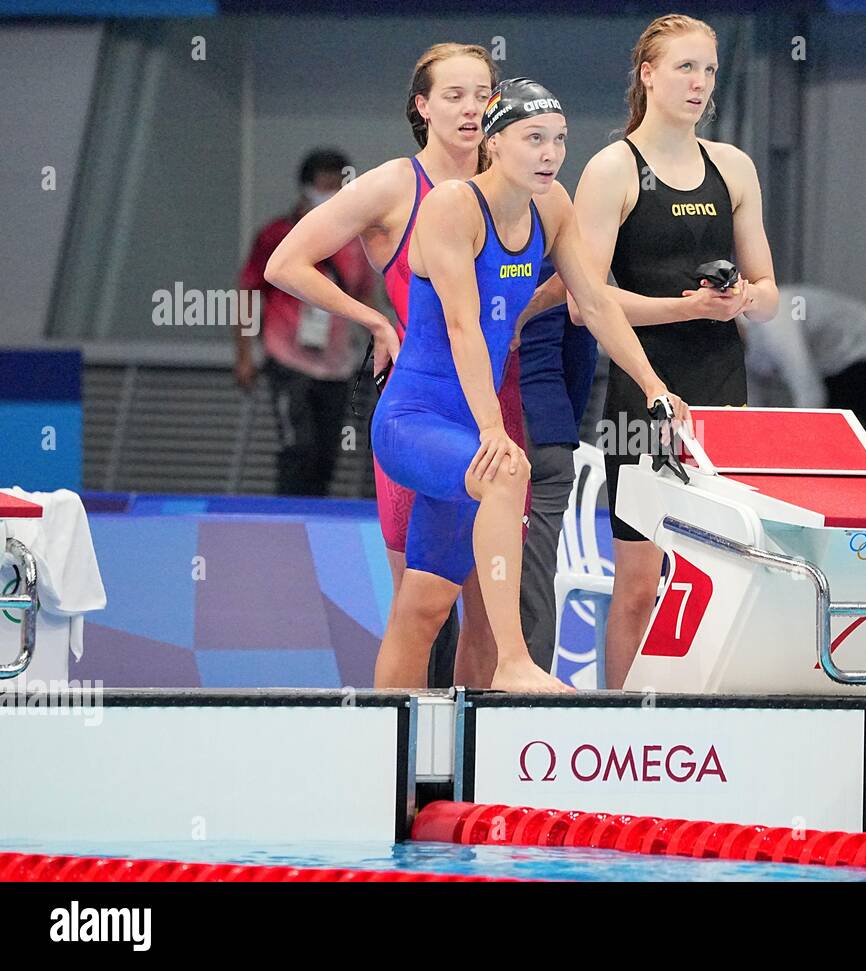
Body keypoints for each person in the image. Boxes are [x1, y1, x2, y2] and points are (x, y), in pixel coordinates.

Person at [370, 78, 690, 693]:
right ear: (493, 143)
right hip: (412, 420)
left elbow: (592, 302)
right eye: (533, 138)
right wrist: (493, 430)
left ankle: (398, 777)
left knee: (423, 609)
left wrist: (652, 384)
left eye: (560, 140)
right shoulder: (452, 207)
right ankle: (517, 663)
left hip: (464, 430)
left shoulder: (552, 207)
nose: (550, 153)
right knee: (505, 472)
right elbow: (463, 325)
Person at [265, 44, 533, 689]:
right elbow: (285, 264)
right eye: (454, 96)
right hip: (425, 408)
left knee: (490, 618)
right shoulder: (393, 184)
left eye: (484, 95)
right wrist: (375, 320)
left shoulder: (517, 183)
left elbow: (566, 278)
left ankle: (467, 778)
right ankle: (398, 774)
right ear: (422, 106)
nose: (472, 109)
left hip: (499, 407)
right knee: (420, 609)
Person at [571, 14, 779, 689]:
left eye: (709, 70)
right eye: (686, 67)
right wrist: (683, 308)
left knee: (722, 578)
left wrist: (738, 299)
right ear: (648, 74)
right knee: (637, 584)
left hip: (723, 393)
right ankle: (624, 726)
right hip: (642, 395)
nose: (700, 83)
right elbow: (585, 300)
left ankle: (706, 719)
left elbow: (772, 293)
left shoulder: (733, 166)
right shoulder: (611, 169)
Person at [237, 148, 371, 497]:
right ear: (305, 186)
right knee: (298, 447)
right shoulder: (276, 235)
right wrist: (244, 354)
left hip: (337, 364)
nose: (330, 191)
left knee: (327, 456)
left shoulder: (355, 242)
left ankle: (315, 524)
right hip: (288, 359)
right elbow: (249, 294)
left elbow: (366, 300)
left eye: (337, 183)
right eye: (323, 183)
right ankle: (288, 523)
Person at [515, 257, 599, 671]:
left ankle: (436, 700)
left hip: (469, 427)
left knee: (442, 580)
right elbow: (582, 355)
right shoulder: (556, 253)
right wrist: (559, 420)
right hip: (545, 425)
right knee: (534, 581)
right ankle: (524, 707)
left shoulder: (459, 238)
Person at [743, 283, 866, 435]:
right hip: (827, 361)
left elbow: (810, 394)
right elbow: (752, 405)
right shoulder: (736, 346)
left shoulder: (775, 324)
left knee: (852, 436)